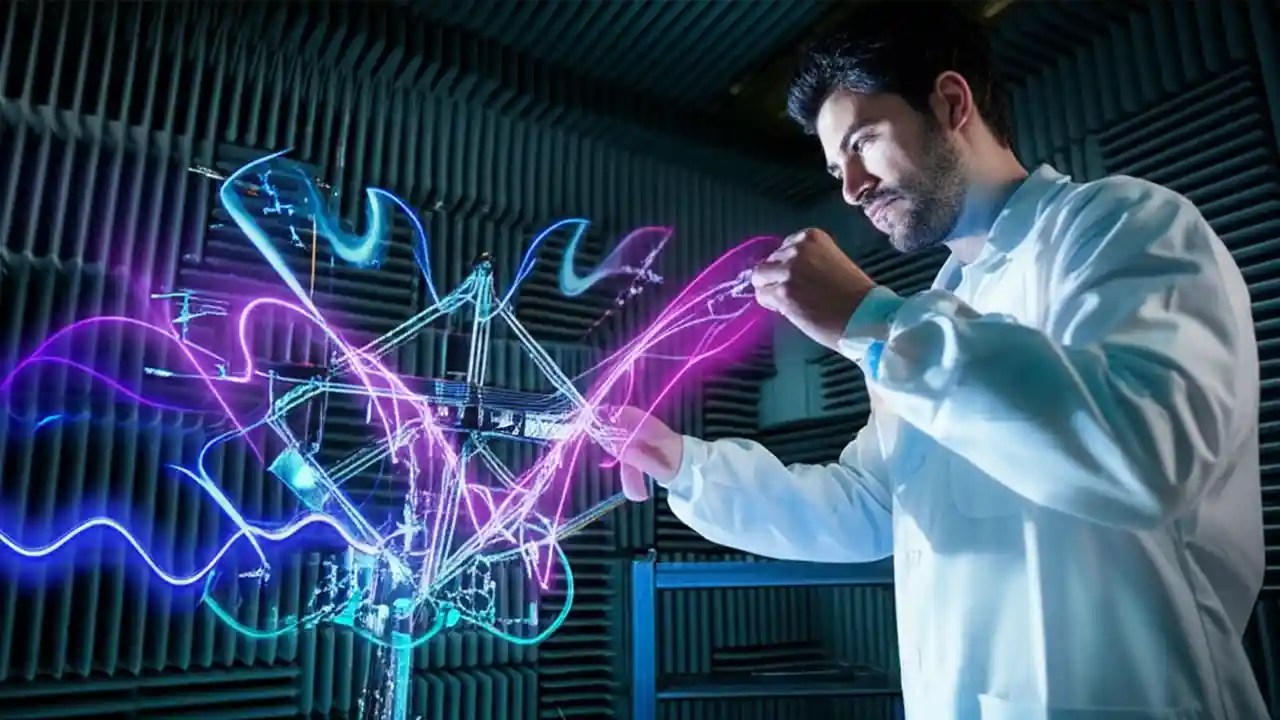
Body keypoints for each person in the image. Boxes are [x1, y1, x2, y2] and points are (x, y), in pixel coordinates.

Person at [607, 2, 1270, 719]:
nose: (851, 188)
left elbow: (1145, 456)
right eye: (836, 167)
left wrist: (875, 319)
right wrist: (682, 463)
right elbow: (868, 507)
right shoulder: (930, 315)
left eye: (863, 141)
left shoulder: (1121, 227)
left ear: (951, 102)